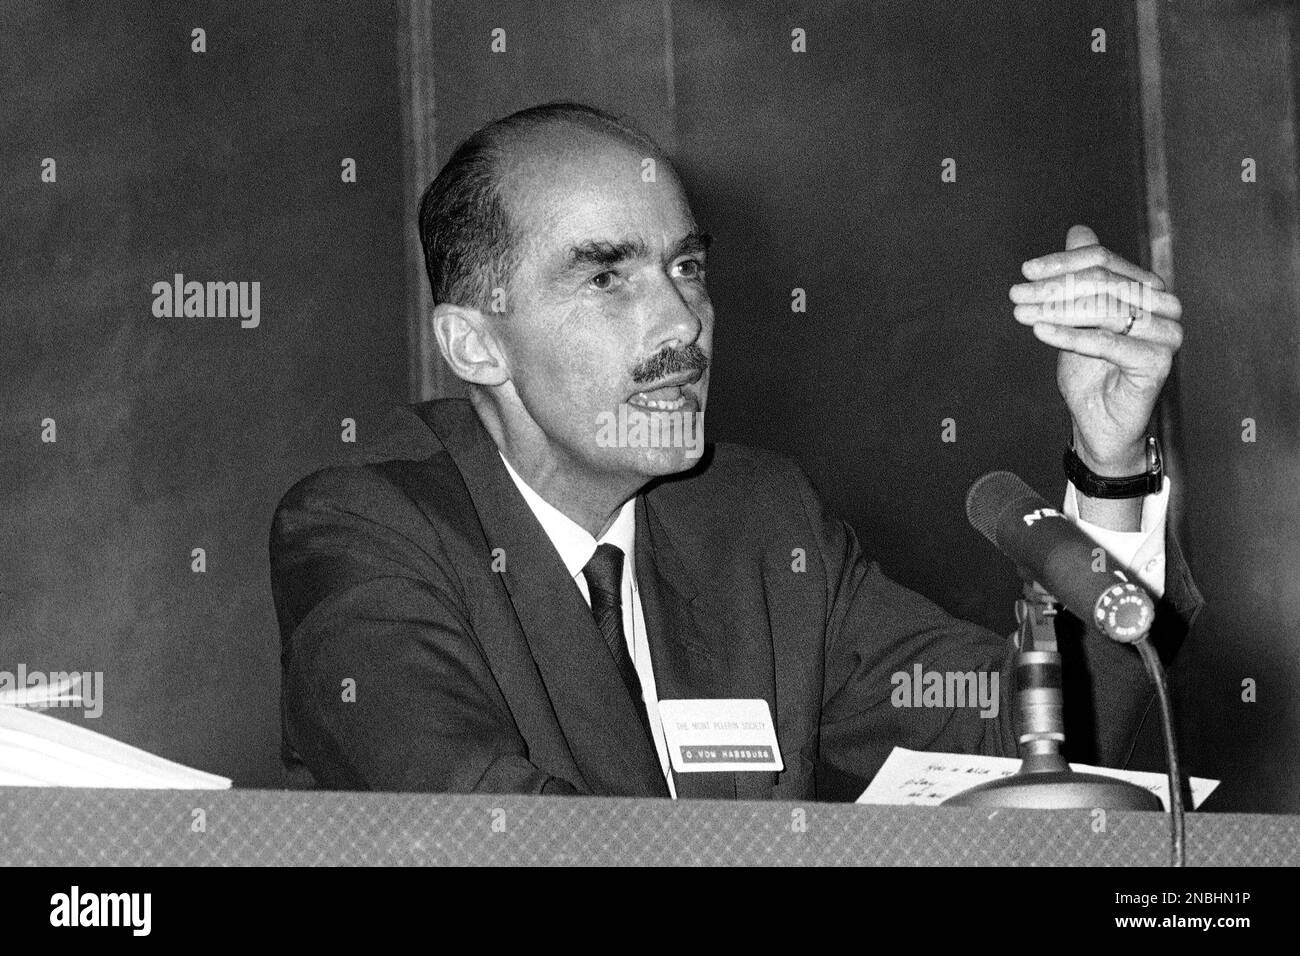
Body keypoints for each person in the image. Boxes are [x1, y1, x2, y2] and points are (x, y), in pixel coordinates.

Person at [270, 102, 1200, 798]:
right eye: (607, 276)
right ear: (476, 343)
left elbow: (1038, 747)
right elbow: (482, 834)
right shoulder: (369, 531)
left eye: (687, 266)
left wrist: (1107, 458)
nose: (684, 321)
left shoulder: (758, 523)